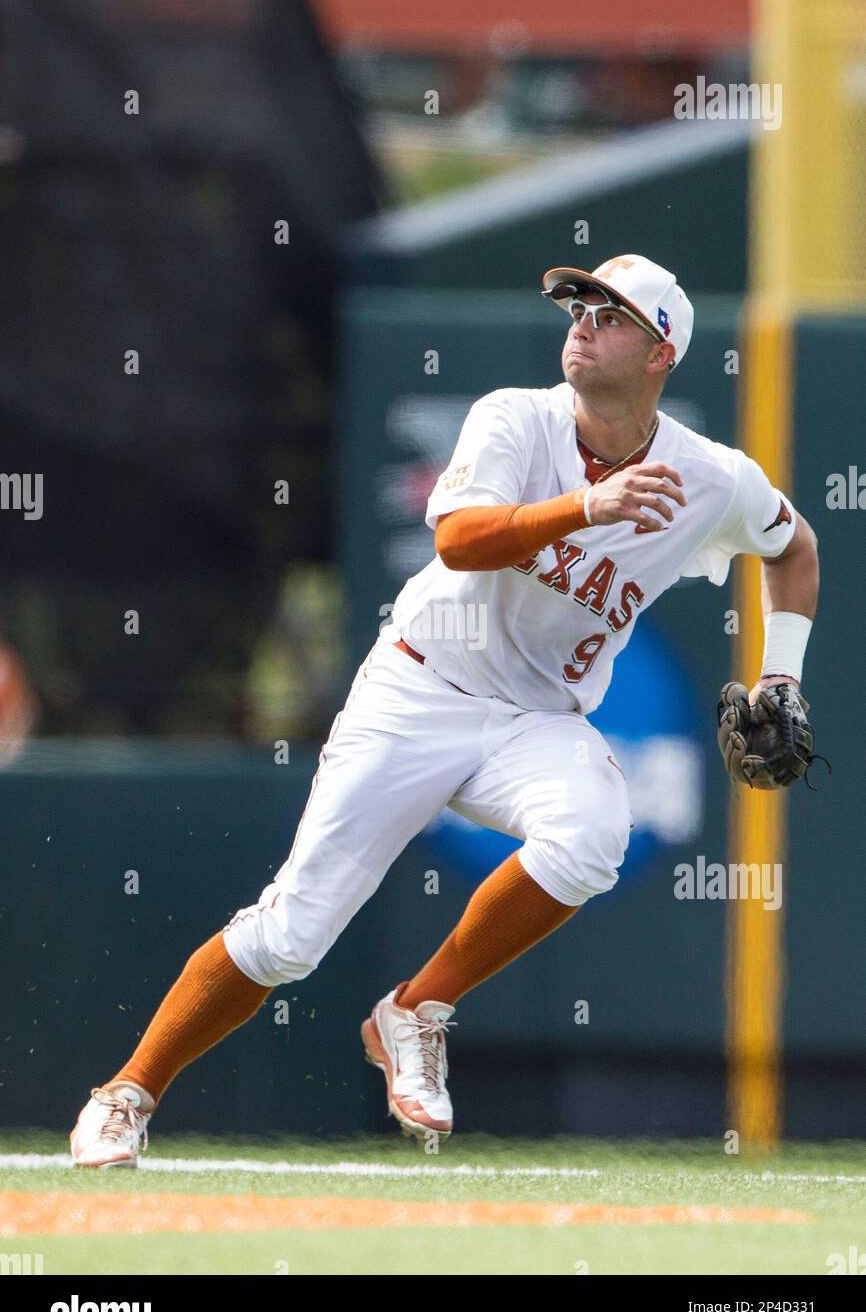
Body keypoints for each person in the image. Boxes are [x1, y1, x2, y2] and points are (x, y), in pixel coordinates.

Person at [70, 254, 819, 1166]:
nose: (582, 321)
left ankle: (418, 1007)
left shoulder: (711, 477)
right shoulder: (514, 416)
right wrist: (588, 505)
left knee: (592, 835)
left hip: (537, 719)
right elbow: (460, 541)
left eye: (611, 314)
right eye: (579, 304)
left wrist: (781, 675)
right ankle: (128, 1092)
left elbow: (793, 544)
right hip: (421, 689)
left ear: (664, 351)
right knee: (290, 937)